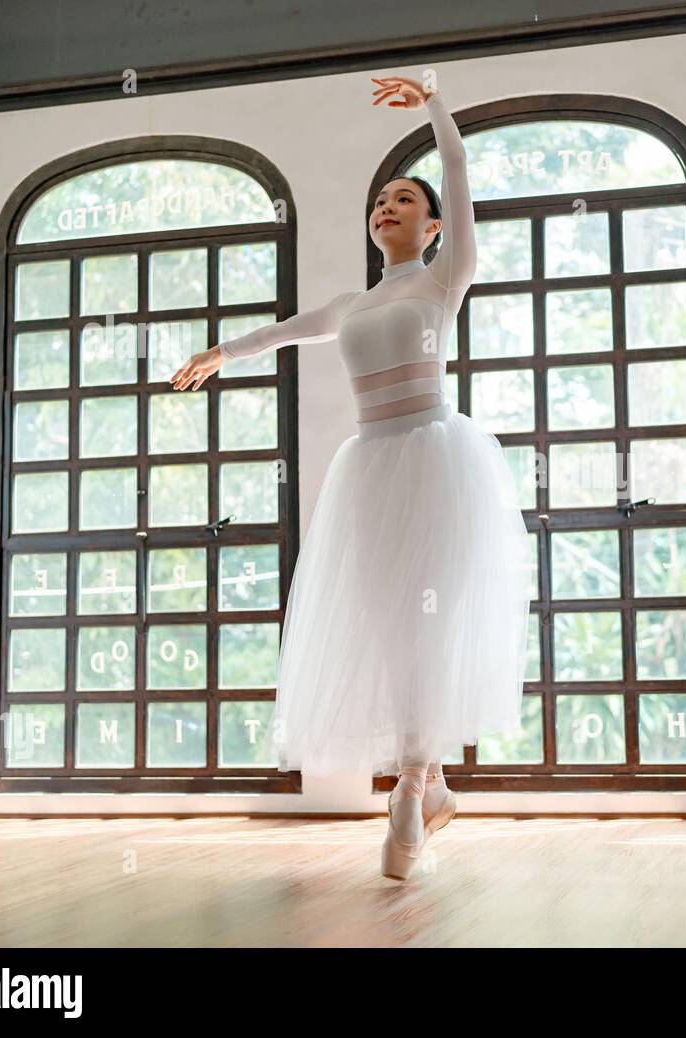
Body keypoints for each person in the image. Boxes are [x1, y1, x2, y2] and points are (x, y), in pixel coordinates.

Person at [169, 75, 532, 880]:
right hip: (370, 468)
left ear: (433, 226)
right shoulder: (350, 303)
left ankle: (410, 784)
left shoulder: (445, 277)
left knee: (427, 624)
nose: (388, 207)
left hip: (437, 459)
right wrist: (219, 355)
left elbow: (461, 176)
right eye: (381, 201)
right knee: (391, 624)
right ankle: (427, 782)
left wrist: (436, 104)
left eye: (406, 199)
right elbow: (280, 334)